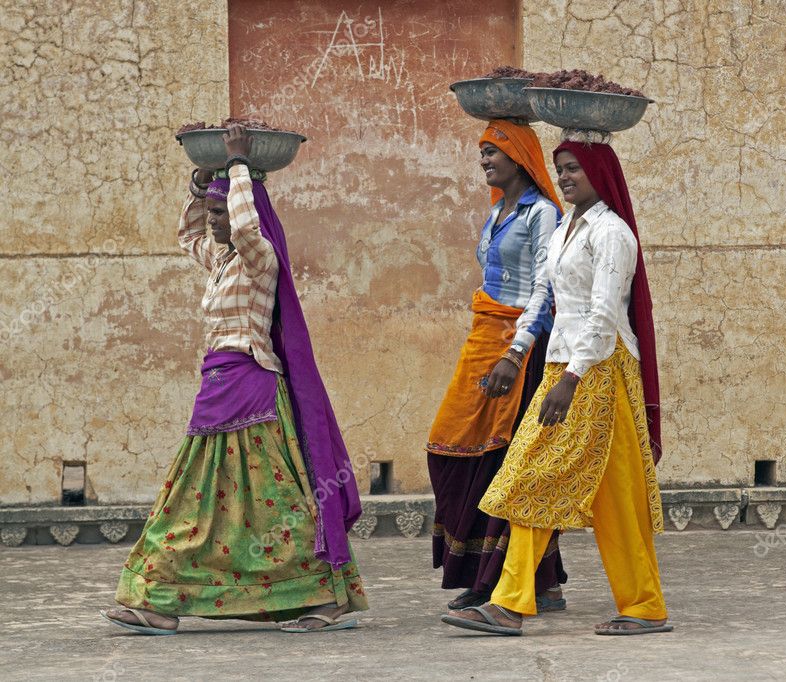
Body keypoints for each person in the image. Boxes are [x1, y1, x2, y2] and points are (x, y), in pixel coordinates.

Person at [101, 124, 367, 635]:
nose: (218, 222)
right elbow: (187, 237)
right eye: (217, 214)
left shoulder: (258, 258)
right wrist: (199, 190)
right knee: (197, 498)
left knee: (278, 500)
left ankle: (324, 598)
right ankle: (161, 598)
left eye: (224, 213)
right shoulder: (221, 261)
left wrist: (240, 165)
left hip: (254, 390)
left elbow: (246, 229)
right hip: (218, 387)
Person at [442, 138, 672, 636]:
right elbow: (543, 297)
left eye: (574, 169)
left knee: (553, 480)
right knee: (550, 482)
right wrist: (519, 351)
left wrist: (571, 378)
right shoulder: (565, 229)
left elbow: (605, 313)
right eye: (560, 170)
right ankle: (631, 603)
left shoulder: (612, 234)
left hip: (598, 371)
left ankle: (626, 604)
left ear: (598, 173)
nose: (565, 177)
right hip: (561, 366)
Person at [426, 120, 568, 612]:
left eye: (493, 152)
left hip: (520, 348)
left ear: (520, 157)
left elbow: (545, 290)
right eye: (482, 151)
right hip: (483, 338)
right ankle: (535, 578)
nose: (484, 160)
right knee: (450, 447)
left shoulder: (542, 213)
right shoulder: (496, 213)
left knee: (505, 461)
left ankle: (500, 582)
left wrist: (516, 352)